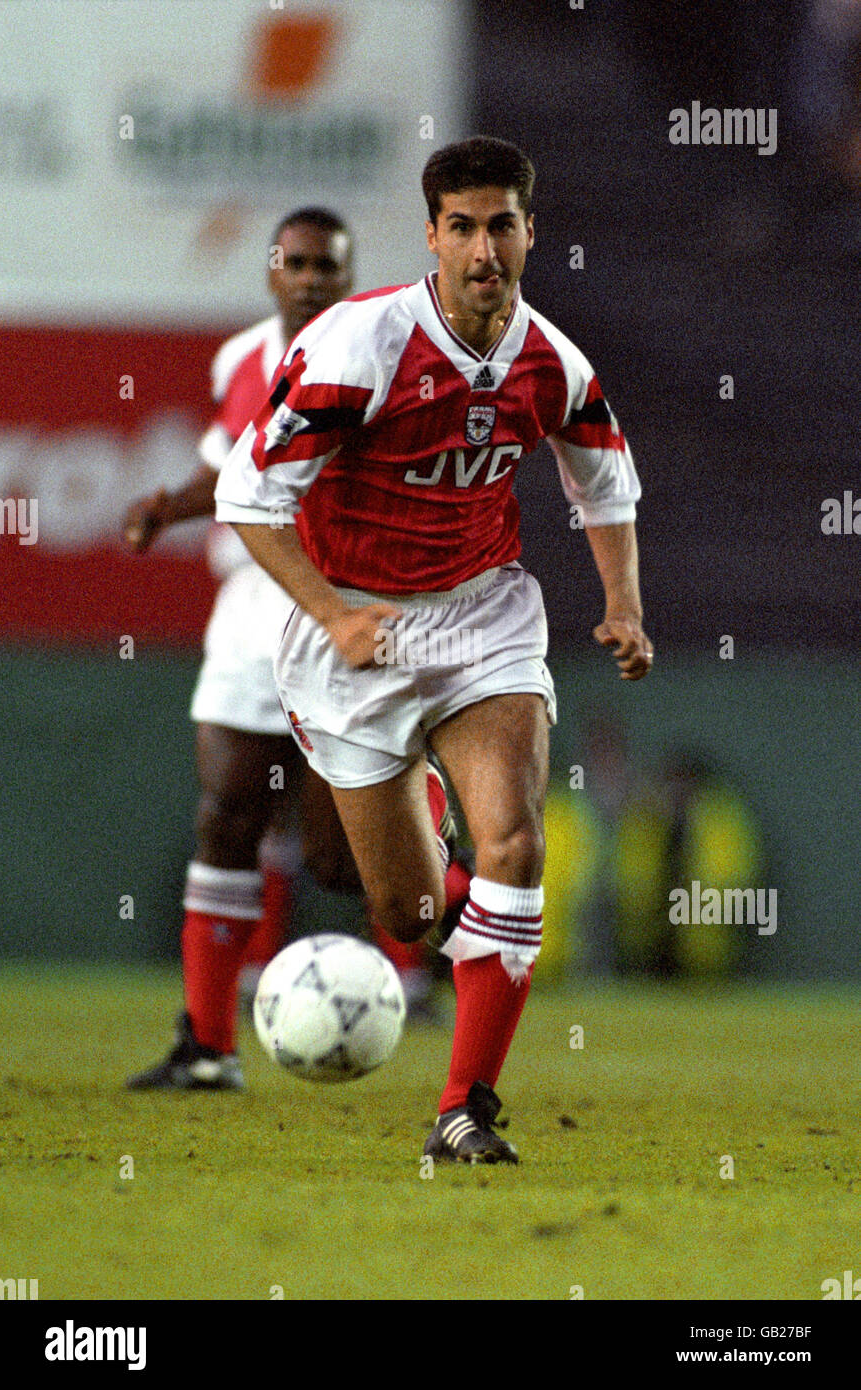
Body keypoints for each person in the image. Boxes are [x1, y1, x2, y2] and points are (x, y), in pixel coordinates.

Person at [215, 137, 653, 1161]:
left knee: (514, 844)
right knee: (405, 914)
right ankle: (439, 863)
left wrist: (622, 605)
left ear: (528, 233)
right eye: (461, 226)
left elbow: (604, 484)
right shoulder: (356, 343)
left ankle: (462, 1111)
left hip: (481, 617)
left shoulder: (551, 359)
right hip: (353, 636)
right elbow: (249, 495)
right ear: (431, 236)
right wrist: (332, 614)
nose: (482, 247)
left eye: (501, 224)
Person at [123, 210, 362, 1090]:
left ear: (347, 274)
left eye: (325, 266)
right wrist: (163, 506)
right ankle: (209, 1047)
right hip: (251, 606)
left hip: (341, 605)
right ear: (271, 272)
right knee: (226, 814)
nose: (308, 279)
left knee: (352, 852)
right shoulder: (240, 359)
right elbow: (230, 467)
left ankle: (451, 963)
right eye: (294, 263)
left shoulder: (379, 349)